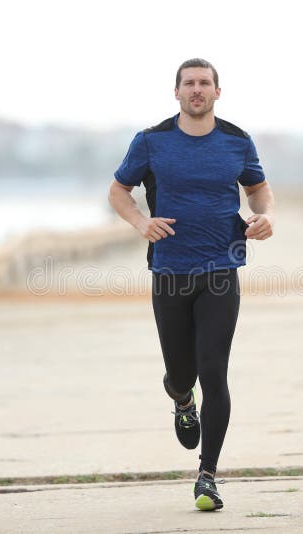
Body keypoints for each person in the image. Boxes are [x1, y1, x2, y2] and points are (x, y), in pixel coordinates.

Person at [108, 58, 275, 511]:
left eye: (204, 83)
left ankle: (208, 477)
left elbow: (258, 189)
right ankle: (183, 399)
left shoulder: (237, 140)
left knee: (214, 371)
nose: (196, 89)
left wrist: (266, 216)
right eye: (189, 83)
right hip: (170, 272)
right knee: (182, 373)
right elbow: (119, 191)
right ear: (177, 92)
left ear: (218, 92)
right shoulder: (151, 141)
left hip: (221, 269)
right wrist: (141, 222)